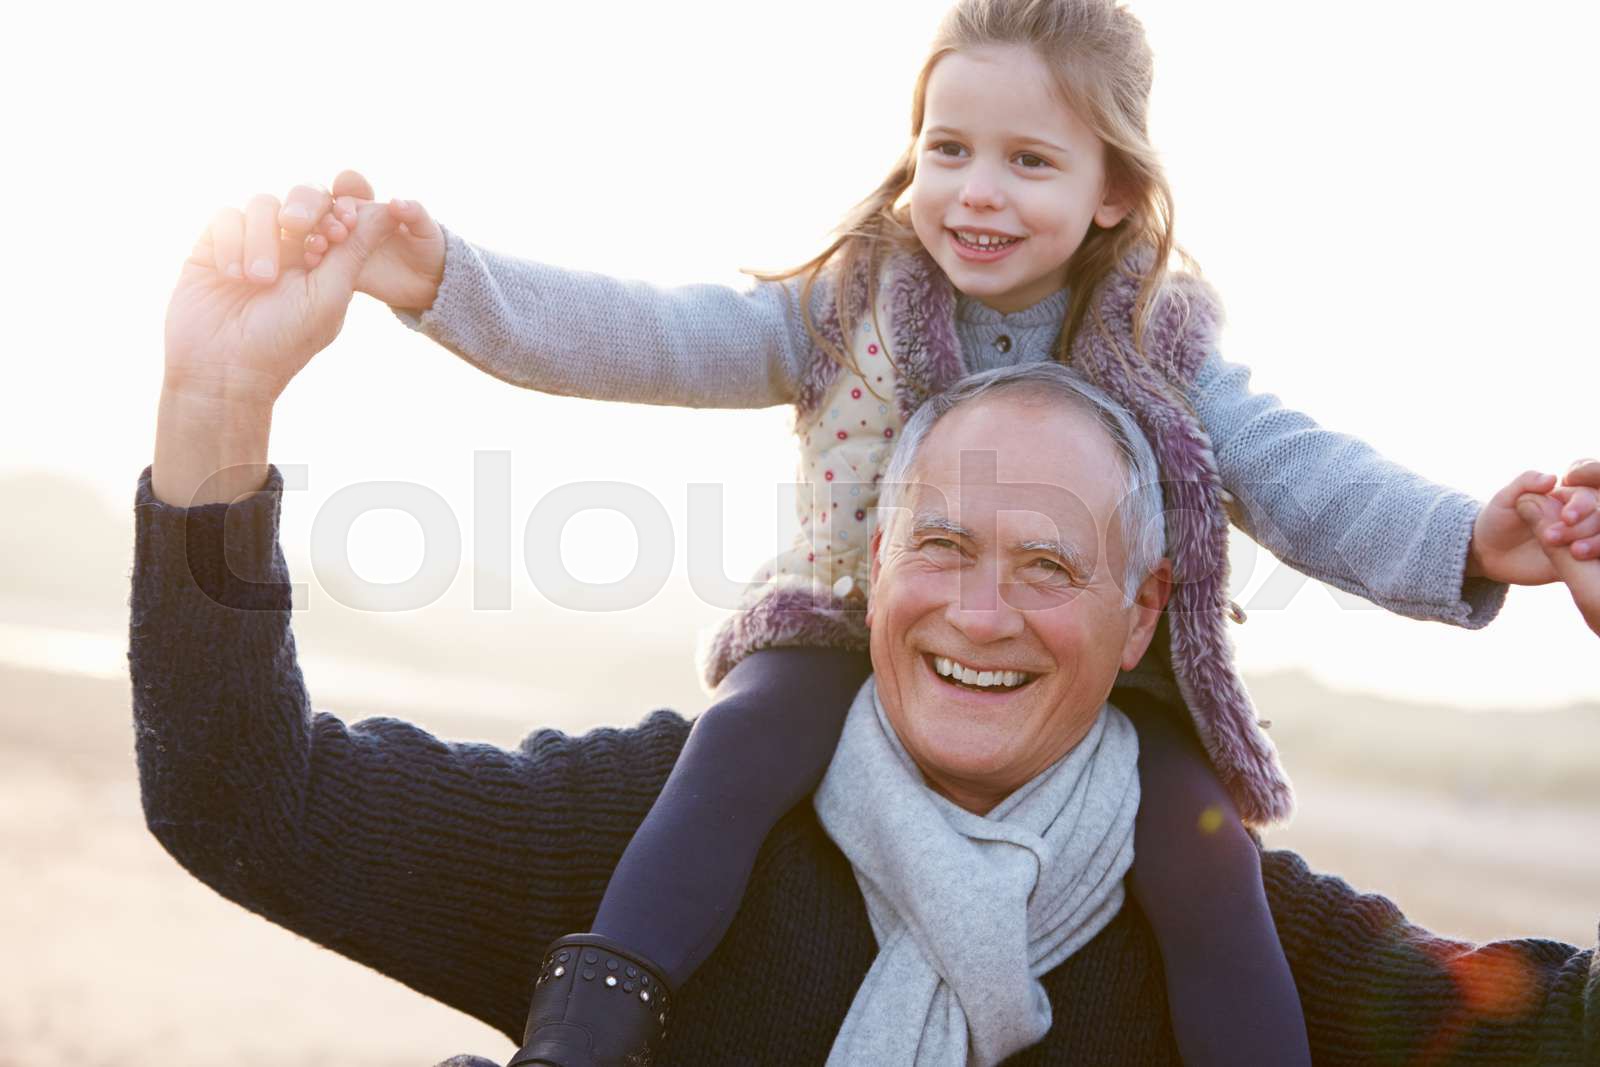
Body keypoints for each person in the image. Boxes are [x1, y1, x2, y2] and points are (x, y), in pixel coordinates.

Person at [245, 0, 1600, 1062]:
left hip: (1110, 678)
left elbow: (1309, 480)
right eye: (948, 149)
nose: (976, 191)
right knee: (730, 755)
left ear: (1114, 191)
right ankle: (590, 1029)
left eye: (1028, 159)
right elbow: (651, 333)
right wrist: (444, 279)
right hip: (848, 624)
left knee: (1213, 874)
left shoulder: (1161, 344)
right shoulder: (852, 307)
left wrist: (1474, 542)